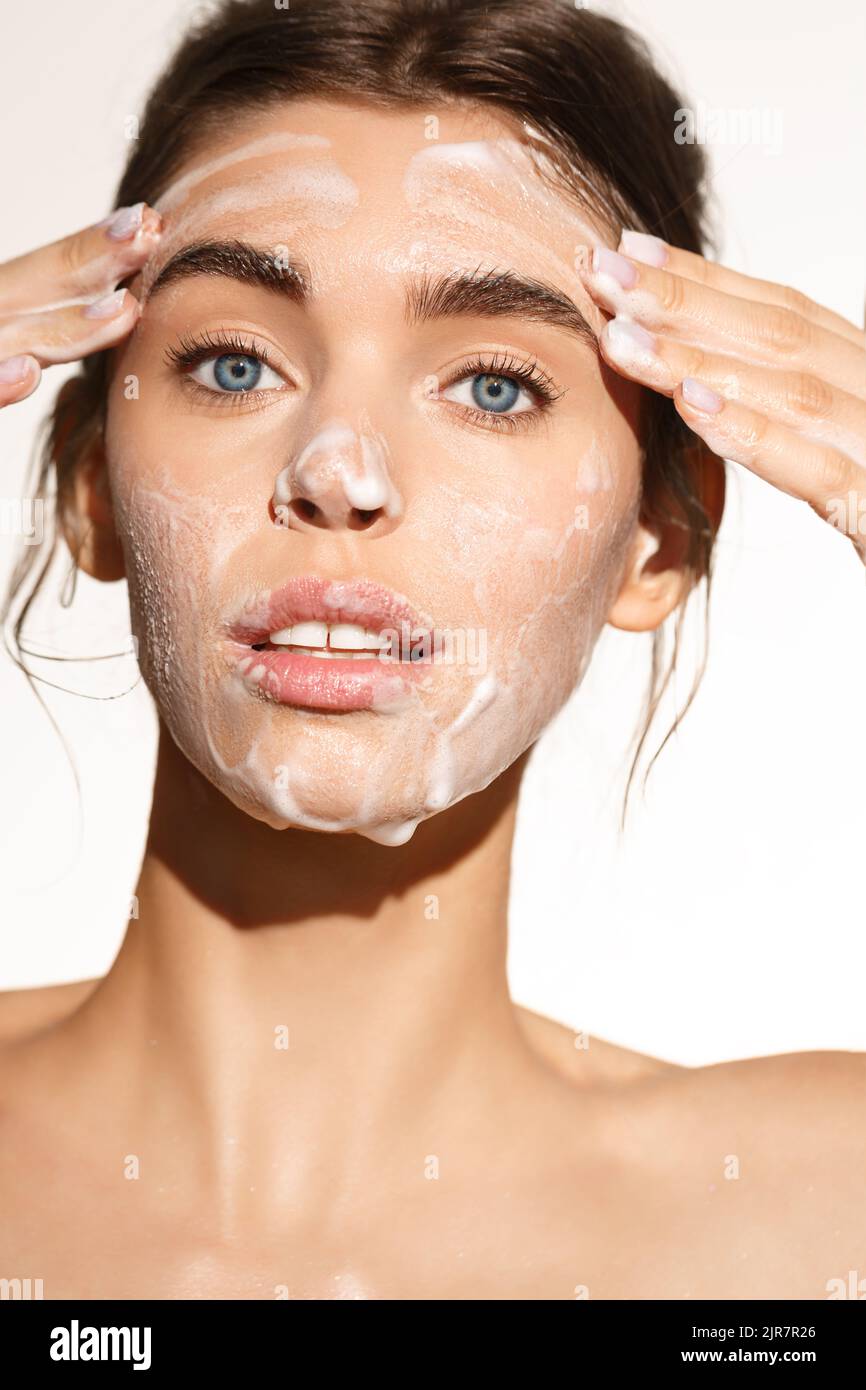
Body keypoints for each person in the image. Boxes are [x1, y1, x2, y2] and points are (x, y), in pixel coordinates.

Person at [0, 0, 863, 1299]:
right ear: (91, 486)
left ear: (656, 541)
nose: (338, 473)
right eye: (235, 364)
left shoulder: (812, 1218)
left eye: (494, 386)